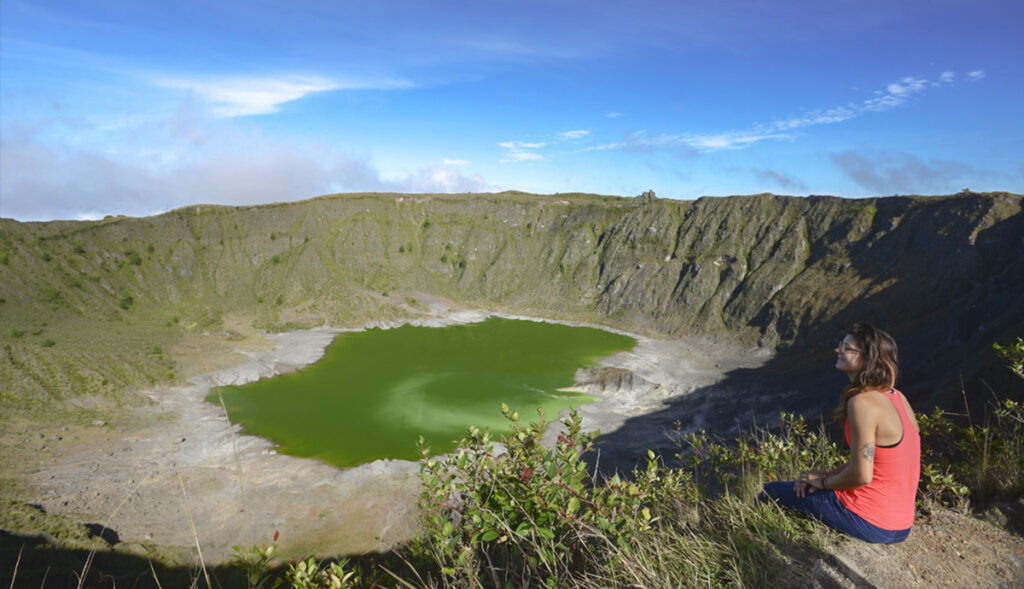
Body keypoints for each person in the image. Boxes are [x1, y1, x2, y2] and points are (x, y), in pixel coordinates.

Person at [761, 323, 920, 543]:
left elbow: (862, 476)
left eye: (847, 348)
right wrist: (825, 475)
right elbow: (877, 464)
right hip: (901, 526)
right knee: (799, 489)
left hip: (870, 520)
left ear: (867, 358)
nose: (838, 350)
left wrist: (823, 484)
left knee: (769, 492)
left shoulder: (862, 402)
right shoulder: (899, 398)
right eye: (840, 345)